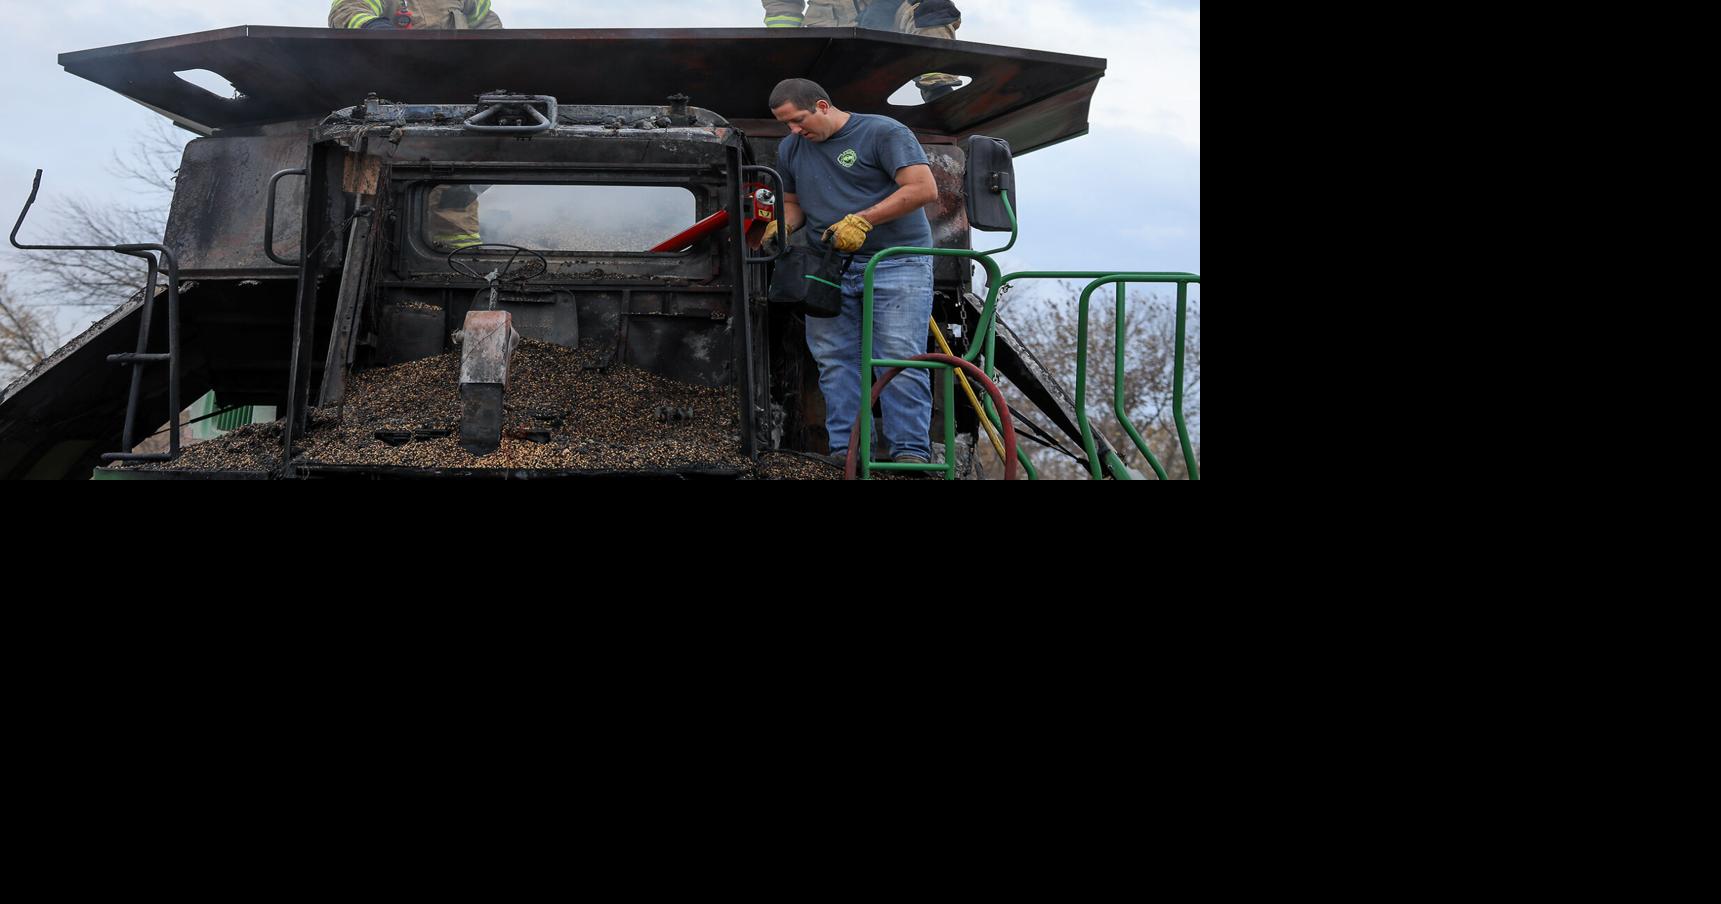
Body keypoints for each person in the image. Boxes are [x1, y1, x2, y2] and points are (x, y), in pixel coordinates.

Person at [764, 78, 939, 465]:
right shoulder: (792, 148)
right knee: (833, 357)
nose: (793, 131)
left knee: (898, 355)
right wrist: (783, 224)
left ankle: (910, 453)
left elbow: (923, 189)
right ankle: (849, 452)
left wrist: (862, 220)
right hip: (829, 266)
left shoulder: (884, 132)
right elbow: (792, 203)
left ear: (823, 106)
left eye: (797, 120)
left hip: (897, 261)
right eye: (785, 124)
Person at [328, 1, 504, 248]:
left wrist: (494, 57)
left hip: (449, 114)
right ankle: (357, 254)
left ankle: (459, 260)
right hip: (379, 116)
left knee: (454, 195)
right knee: (363, 198)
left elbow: (487, 25)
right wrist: (377, 29)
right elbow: (348, 11)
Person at [760, 2, 965, 102]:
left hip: (894, 17)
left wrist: (885, 6)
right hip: (831, 24)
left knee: (932, 9)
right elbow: (782, 5)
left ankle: (939, 94)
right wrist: (787, 49)